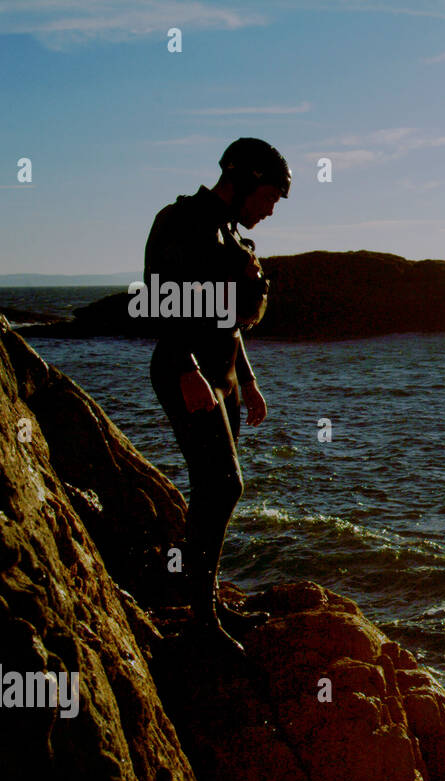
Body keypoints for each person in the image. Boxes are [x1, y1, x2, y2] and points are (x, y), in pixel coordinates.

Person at [145, 137, 290, 654]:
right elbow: (162, 300)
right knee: (225, 485)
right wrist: (187, 368)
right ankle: (202, 619)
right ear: (245, 179)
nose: (270, 210)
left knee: (213, 489)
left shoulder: (231, 235)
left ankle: (202, 602)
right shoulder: (181, 221)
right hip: (185, 373)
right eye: (269, 197)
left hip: (221, 377)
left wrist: (247, 381)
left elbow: (228, 320)